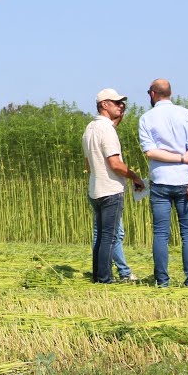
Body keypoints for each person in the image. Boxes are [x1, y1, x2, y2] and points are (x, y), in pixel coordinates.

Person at [138, 78, 188, 288]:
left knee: (160, 233)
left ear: (152, 94)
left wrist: (176, 158)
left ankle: (162, 281)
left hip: (160, 181)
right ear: (170, 93)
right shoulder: (187, 115)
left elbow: (150, 152)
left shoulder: (146, 118)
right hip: (185, 180)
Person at [83, 87, 146, 283]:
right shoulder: (107, 130)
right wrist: (136, 178)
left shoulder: (89, 129)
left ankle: (98, 276)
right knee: (110, 237)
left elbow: (88, 163)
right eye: (116, 103)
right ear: (104, 105)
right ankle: (104, 279)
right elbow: (115, 164)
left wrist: (119, 117)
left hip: (95, 189)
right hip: (111, 190)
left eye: (122, 103)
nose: (121, 106)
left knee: (101, 236)